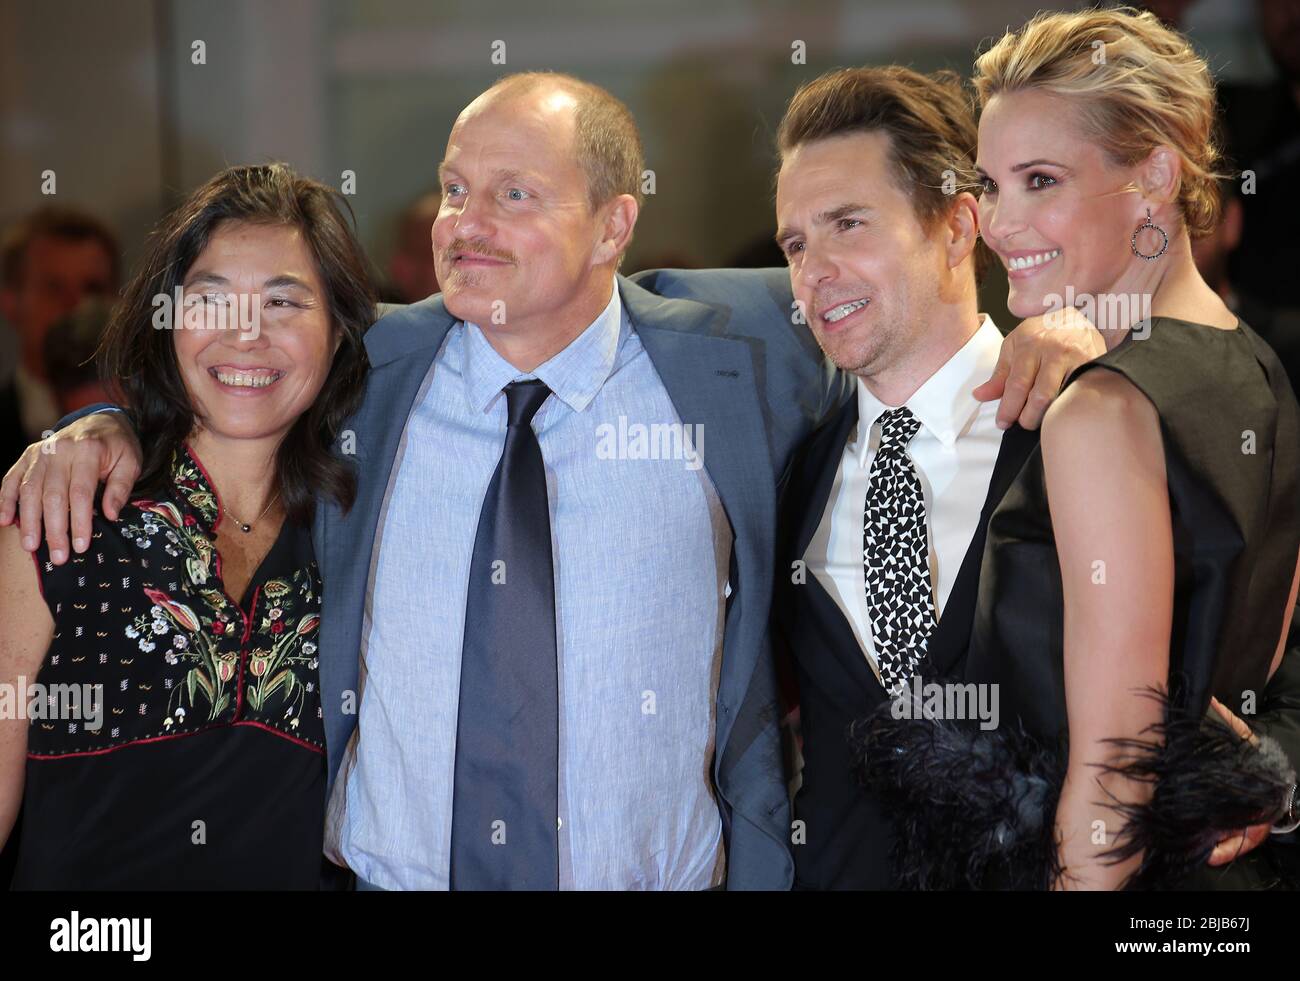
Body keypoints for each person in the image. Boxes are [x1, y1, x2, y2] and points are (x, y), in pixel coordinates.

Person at [3, 72, 1094, 891]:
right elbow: (232, 371)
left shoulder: (745, 357)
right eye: (453, 189)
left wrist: (1061, 331)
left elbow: (897, 304)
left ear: (613, 223)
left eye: (514, 194)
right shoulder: (362, 366)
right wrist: (100, 431)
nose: (465, 225)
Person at [862, 7, 1300, 890]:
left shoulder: (1099, 410)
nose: (998, 221)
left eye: (1040, 180)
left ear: (1155, 178)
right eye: (989, 183)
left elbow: (1112, 780)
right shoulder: (1260, 370)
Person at [0, 163, 375, 888]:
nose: (245, 336)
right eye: (212, 299)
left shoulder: (357, 538)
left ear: (337, 335)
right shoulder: (61, 515)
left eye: (285, 302)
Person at [0, 207, 119, 473]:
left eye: (92, 289)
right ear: (11, 303)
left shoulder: (158, 430)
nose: (76, 305)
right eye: (53, 288)